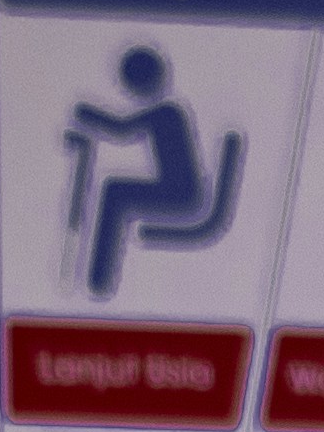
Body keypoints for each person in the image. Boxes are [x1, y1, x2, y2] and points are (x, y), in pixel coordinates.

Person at [65, 45, 224, 299]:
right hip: (176, 189)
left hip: (182, 194)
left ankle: (99, 280)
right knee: (115, 190)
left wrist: (87, 114)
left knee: (114, 192)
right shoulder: (168, 110)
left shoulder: (166, 112)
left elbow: (121, 129)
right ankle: (98, 280)